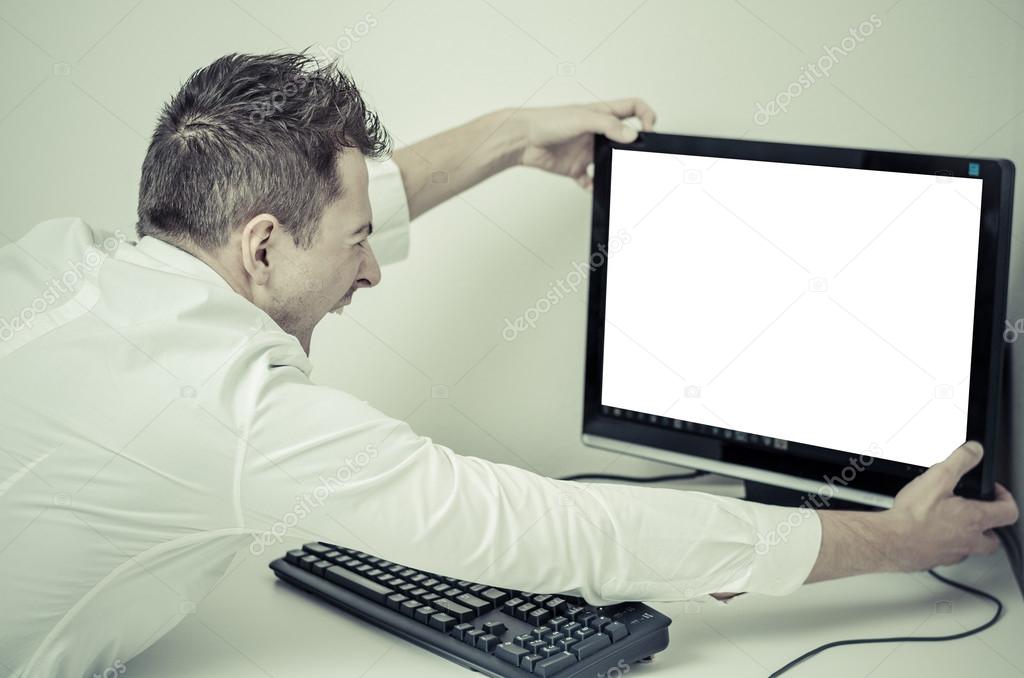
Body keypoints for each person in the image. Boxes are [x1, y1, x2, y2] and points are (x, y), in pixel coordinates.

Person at [0, 52, 1017, 678]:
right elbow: (549, 532)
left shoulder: (61, 264)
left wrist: (510, 137)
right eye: (359, 241)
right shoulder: (234, 415)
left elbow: (329, 203)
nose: (374, 271)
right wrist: (890, 540)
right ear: (261, 247)